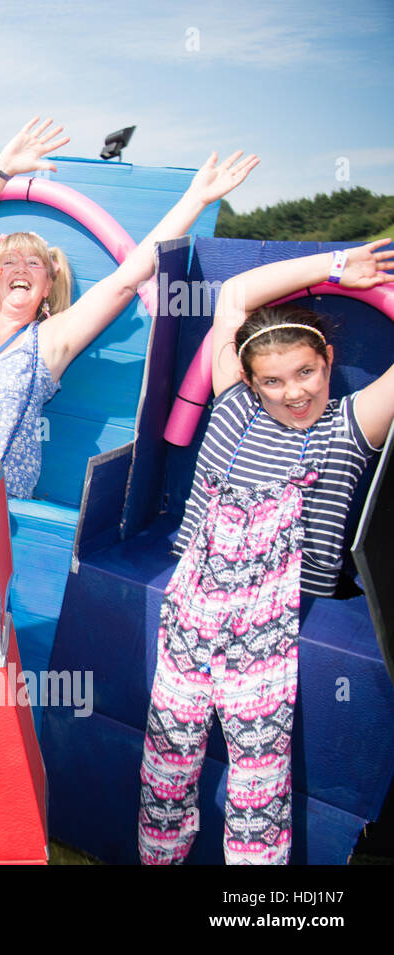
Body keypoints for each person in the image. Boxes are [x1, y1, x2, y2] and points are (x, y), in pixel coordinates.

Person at [138, 240, 394, 865]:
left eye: (306, 372)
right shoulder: (232, 410)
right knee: (165, 764)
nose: (293, 393)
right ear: (249, 379)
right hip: (192, 618)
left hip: (269, 634)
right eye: (273, 380)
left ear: (327, 361)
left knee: (259, 789)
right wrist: (334, 268)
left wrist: (363, 282)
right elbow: (233, 297)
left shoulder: (350, 426)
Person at [0, 117, 259, 497]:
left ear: (47, 287)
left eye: (34, 263)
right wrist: (1, 171)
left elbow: (126, 280)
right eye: (9, 261)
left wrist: (196, 200)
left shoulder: (47, 341)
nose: (21, 268)